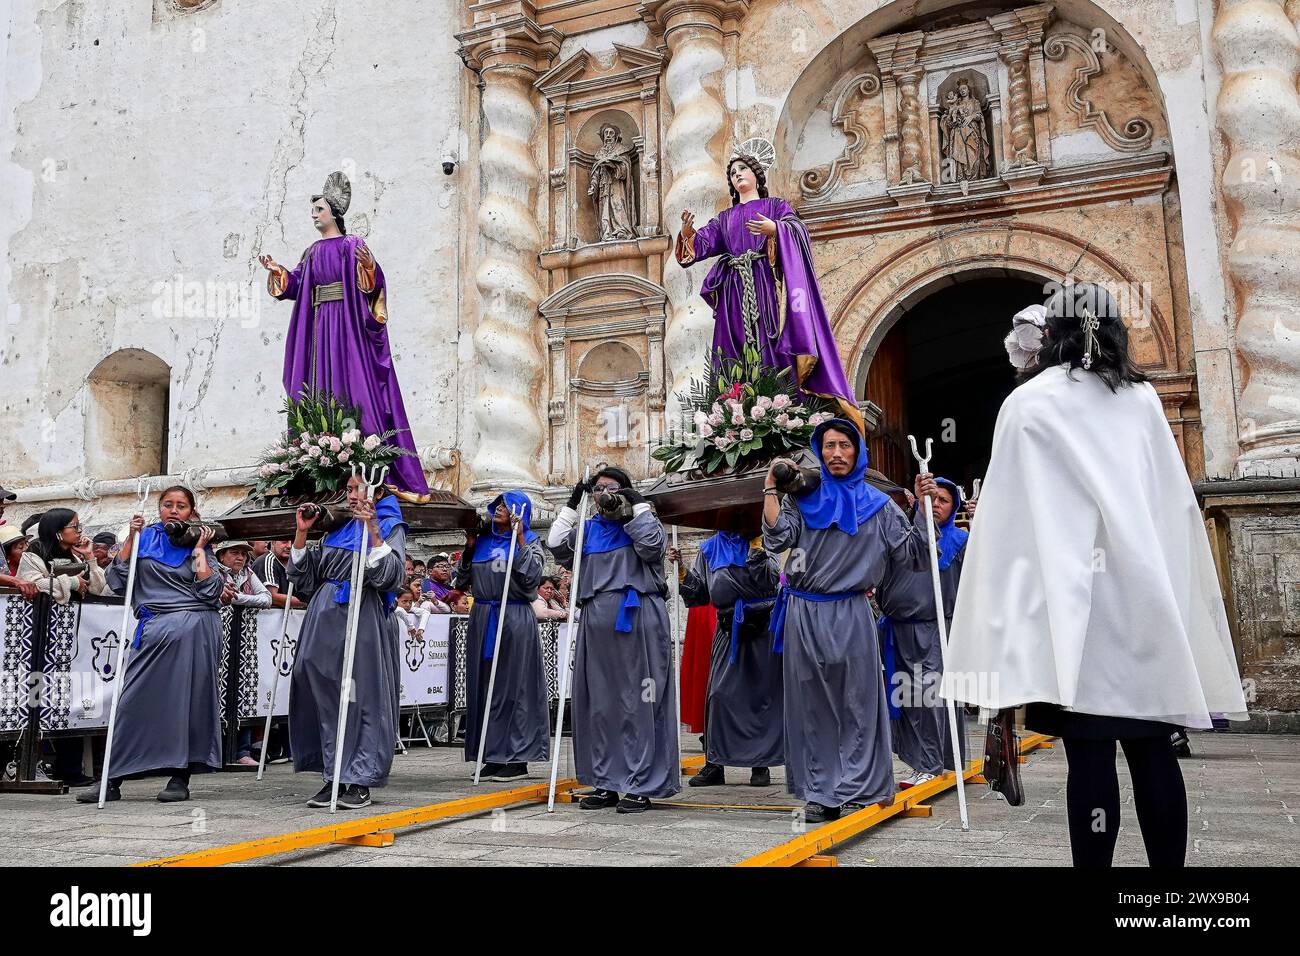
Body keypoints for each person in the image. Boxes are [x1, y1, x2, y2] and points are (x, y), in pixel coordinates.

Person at [942, 283, 1248, 867]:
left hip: (1072, 615)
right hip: (1142, 601)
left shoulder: (1028, 403)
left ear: (1051, 335)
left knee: (1089, 756)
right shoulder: (1142, 401)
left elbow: (1007, 522)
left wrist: (1007, 624)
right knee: (1152, 751)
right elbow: (1174, 504)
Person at [763, 419, 934, 823]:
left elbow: (914, 556)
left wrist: (924, 511)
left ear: (857, 452)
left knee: (857, 702)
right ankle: (821, 793)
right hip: (804, 611)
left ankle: (859, 786)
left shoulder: (879, 505)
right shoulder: (802, 497)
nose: (836, 453)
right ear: (819, 452)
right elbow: (777, 539)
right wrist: (770, 485)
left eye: (844, 446)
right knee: (812, 705)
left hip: (853, 611)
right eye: (829, 446)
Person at [258, 170, 429, 498]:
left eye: (319, 210)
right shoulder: (311, 252)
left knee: (352, 384)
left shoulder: (352, 245)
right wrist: (278, 272)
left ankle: (362, 450)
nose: (314, 215)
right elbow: (295, 284)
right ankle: (317, 450)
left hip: (347, 323)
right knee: (319, 385)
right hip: (319, 326)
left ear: (334, 213)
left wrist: (368, 269)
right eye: (312, 211)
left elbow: (373, 285)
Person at [676, 153, 861, 431]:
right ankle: (733, 414)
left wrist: (775, 229)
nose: (737, 174)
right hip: (734, 293)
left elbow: (798, 230)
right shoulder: (724, 218)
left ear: (757, 176)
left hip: (765, 285)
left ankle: (783, 407)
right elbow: (700, 247)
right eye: (732, 173)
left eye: (743, 169)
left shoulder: (775, 206)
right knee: (734, 347)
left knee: (771, 341)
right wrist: (688, 234)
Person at [76, 486, 223, 803]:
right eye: (167, 504)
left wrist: (199, 548)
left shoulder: (199, 540)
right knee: (133, 702)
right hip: (154, 629)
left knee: (188, 703)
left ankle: (180, 777)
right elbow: (118, 580)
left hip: (196, 629)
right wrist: (131, 536)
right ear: (159, 508)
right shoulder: (145, 537)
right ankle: (112, 779)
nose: (173, 510)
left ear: (191, 511)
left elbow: (210, 590)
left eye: (181, 505)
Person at [547, 466, 678, 813]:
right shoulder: (588, 530)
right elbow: (555, 545)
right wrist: (573, 501)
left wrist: (637, 504)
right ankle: (606, 781)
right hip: (596, 621)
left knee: (638, 702)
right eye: (598, 489)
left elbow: (651, 547)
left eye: (612, 488)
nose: (604, 494)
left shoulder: (640, 525)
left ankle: (640, 783)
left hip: (635, 618)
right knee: (601, 703)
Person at [287, 475, 407, 810]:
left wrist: (373, 531)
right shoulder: (335, 527)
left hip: (363, 612)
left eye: (356, 488)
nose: (350, 495)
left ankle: (360, 778)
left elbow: (392, 576)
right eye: (349, 489)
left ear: (376, 489)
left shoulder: (390, 524)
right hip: (324, 617)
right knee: (326, 693)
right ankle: (334, 773)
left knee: (362, 694)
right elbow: (305, 578)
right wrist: (302, 533)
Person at [876, 478, 968, 789]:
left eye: (943, 500)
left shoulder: (960, 542)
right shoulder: (905, 536)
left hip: (934, 629)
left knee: (931, 696)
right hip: (898, 629)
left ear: (953, 506)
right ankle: (921, 762)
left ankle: (934, 762)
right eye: (933, 498)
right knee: (907, 697)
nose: (937, 505)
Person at [671, 531, 782, 787]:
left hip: (761, 627)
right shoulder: (709, 548)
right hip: (728, 628)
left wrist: (756, 550)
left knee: (759, 696)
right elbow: (699, 594)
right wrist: (682, 571)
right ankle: (715, 763)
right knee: (718, 695)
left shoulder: (762, 541)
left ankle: (760, 763)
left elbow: (770, 580)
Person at [456, 491, 549, 783]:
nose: (498, 509)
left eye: (505, 506)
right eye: (496, 505)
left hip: (514, 617)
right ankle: (492, 753)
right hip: (483, 616)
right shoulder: (483, 541)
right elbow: (461, 581)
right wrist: (470, 547)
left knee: (515, 686)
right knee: (485, 685)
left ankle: (517, 756)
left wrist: (520, 539)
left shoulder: (531, 541)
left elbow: (531, 577)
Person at [18, 508, 110, 604]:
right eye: (75, 526)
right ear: (57, 530)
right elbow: (32, 584)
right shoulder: (34, 553)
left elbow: (98, 590)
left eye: (79, 526)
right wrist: (73, 582)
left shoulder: (74, 558)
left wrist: (89, 555)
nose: (79, 531)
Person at [214, 541, 273, 610]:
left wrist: (238, 597)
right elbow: (216, 597)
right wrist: (251, 599)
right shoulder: (212, 572)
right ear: (221, 555)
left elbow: (267, 599)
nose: (241, 558)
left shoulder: (247, 572)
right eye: (235, 553)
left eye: (244, 554)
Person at [252, 539, 307, 610]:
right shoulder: (267, 561)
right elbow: (271, 596)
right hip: (268, 618)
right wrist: (308, 603)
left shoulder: (297, 564)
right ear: (273, 542)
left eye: (293, 542)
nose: (289, 546)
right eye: (284, 541)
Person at [0, 526, 38, 599]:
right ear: (7, 556)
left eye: (26, 544)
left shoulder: (34, 571)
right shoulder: (5, 579)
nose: (26, 549)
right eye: (20, 547)